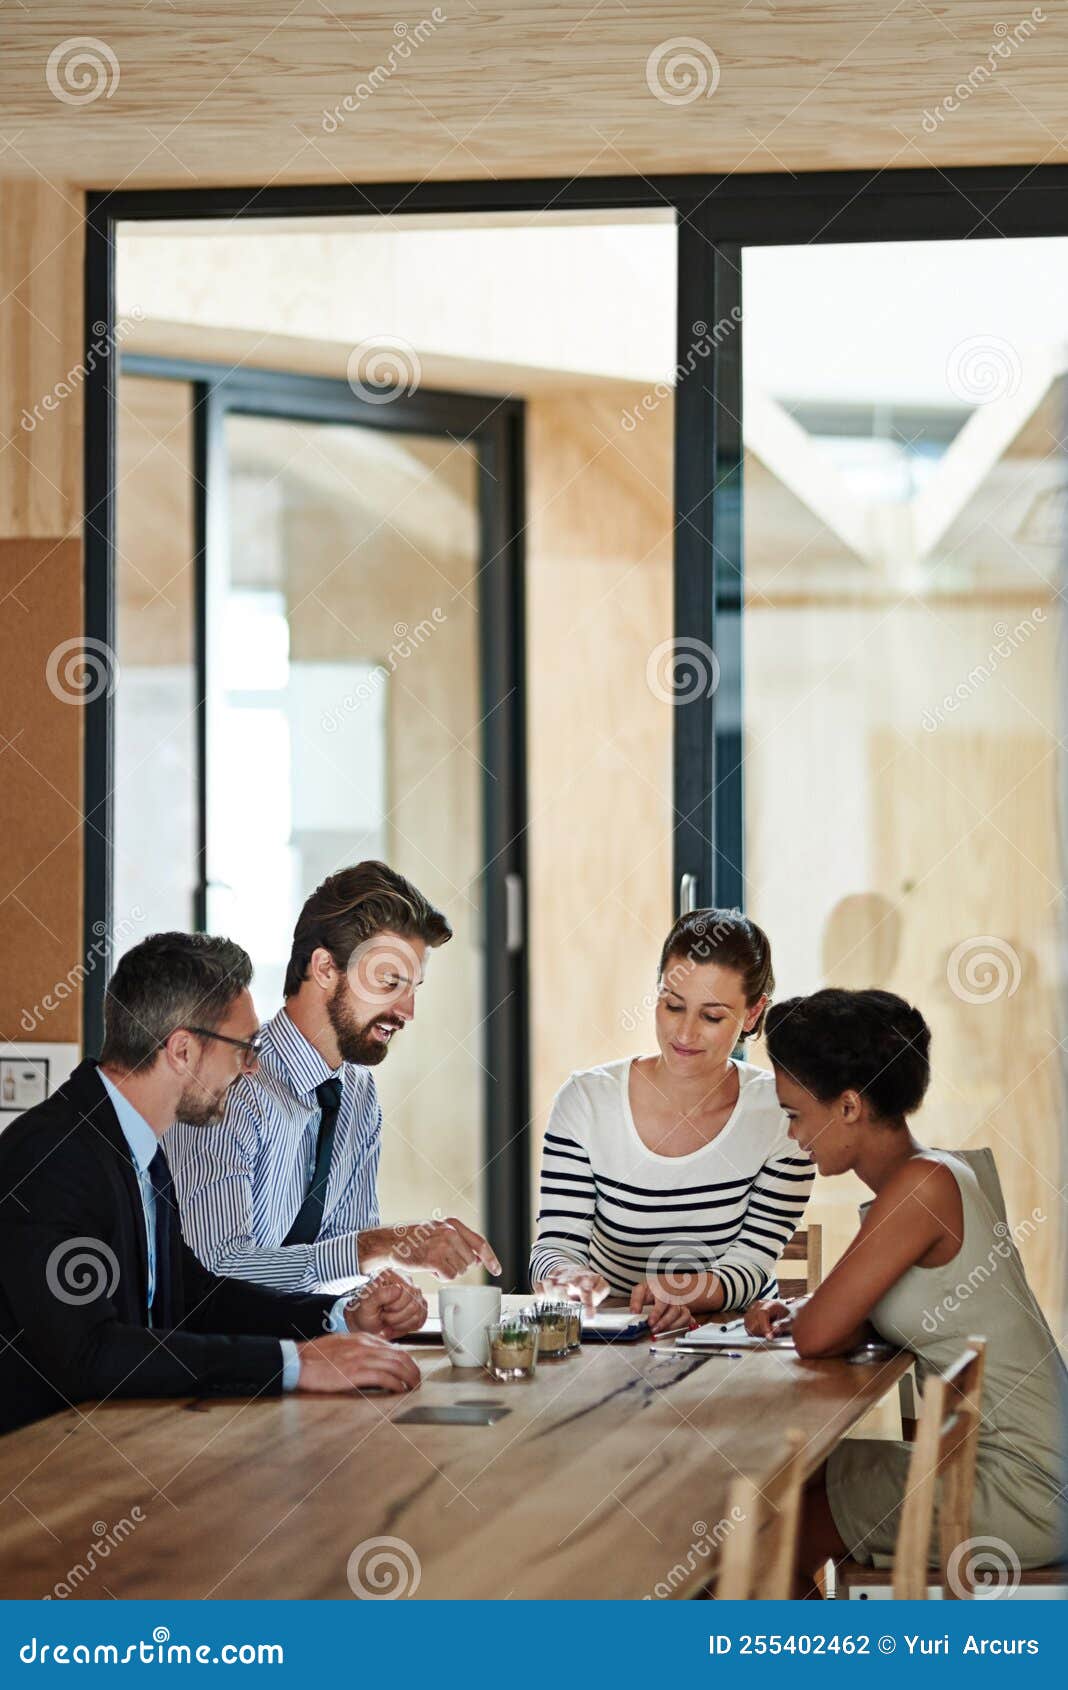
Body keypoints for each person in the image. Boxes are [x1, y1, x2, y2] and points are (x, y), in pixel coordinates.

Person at [0, 932, 422, 1435]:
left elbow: (196, 1300)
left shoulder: (139, 1148)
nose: (253, 1065)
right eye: (244, 1047)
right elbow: (90, 1353)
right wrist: (292, 1365)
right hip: (40, 1465)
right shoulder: (52, 1156)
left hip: (121, 1444)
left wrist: (339, 1318)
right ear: (182, 1050)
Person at [747, 987, 1068, 1594]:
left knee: (771, 1526)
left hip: (1026, 1487)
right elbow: (863, 1313)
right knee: (785, 1484)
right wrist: (802, 1309)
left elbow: (818, 1336)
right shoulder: (943, 1172)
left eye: (795, 1114)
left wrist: (809, 1316)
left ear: (848, 1106)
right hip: (1019, 1466)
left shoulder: (921, 1189)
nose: (793, 1135)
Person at [166, 861, 501, 1293]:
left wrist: (377, 1296)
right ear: (325, 968)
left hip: (310, 1335)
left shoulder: (358, 1093)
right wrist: (381, 1246)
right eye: (389, 983)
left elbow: (344, 1261)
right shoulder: (228, 1085)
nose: (407, 1012)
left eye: (413, 989)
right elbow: (215, 1273)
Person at [529, 909, 814, 1332]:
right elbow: (554, 1246)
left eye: (712, 1016)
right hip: (616, 1332)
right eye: (673, 1005)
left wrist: (681, 1293)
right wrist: (566, 1277)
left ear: (753, 1013)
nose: (684, 1033)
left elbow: (752, 1263)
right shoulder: (587, 1100)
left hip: (735, 1335)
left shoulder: (782, 1114)